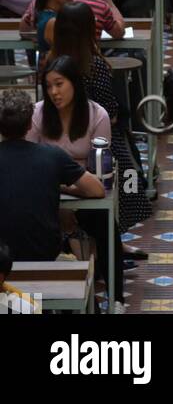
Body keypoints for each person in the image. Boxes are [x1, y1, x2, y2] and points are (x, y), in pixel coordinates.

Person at [47, 4, 152, 238]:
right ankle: (115, 238)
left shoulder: (49, 63)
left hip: (57, 141)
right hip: (98, 145)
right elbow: (110, 110)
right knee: (129, 175)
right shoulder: (94, 66)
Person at [27, 57, 123, 306]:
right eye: (48, 86)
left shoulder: (96, 115)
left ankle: (116, 297)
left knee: (105, 226)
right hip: (48, 193)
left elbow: (98, 172)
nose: (54, 92)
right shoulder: (38, 113)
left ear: (75, 83)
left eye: (59, 84)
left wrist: (71, 190)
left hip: (85, 188)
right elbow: (28, 159)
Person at [0, 88, 104, 267]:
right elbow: (97, 189)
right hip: (43, 253)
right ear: (30, 124)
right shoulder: (52, 156)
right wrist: (60, 185)